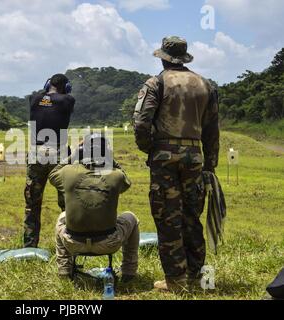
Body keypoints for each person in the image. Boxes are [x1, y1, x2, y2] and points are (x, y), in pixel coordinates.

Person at [133, 36, 220, 292]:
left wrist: (150, 148)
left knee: (168, 218)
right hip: (195, 158)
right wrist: (210, 166)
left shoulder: (156, 83)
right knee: (192, 216)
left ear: (163, 58)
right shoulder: (205, 85)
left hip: (165, 158)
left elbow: (141, 123)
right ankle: (196, 276)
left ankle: (176, 281)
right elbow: (212, 131)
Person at [49, 134, 140, 282]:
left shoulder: (68, 173)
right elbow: (126, 181)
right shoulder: (115, 176)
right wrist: (111, 159)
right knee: (132, 218)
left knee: (61, 217)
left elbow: (53, 174)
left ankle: (64, 270)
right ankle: (129, 271)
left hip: (74, 243)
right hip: (108, 243)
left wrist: (73, 155)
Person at [23, 74, 75, 248]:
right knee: (66, 202)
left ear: (48, 84)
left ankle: (29, 246)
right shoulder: (68, 100)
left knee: (32, 202)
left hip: (36, 151)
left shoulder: (35, 98)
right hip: (58, 151)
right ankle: (69, 243)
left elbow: (45, 99)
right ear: (66, 87)